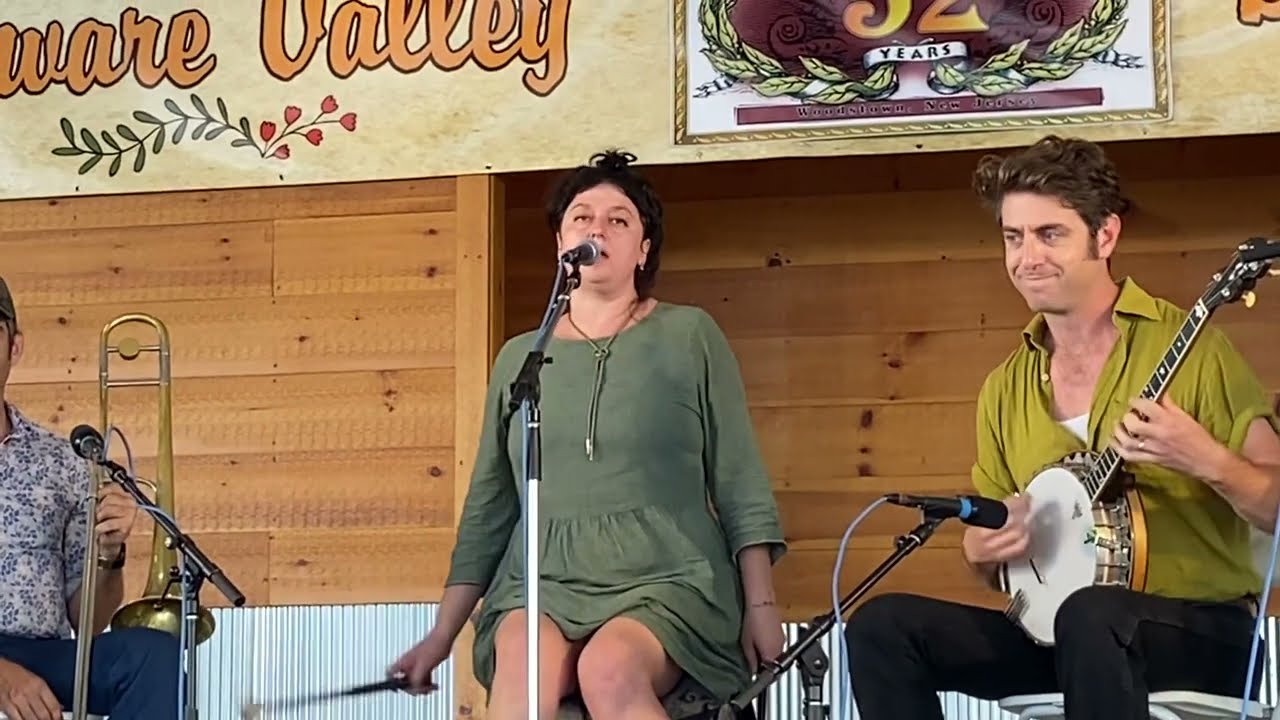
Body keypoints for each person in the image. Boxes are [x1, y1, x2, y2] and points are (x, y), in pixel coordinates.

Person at [842, 136, 1280, 719]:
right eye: (1013, 237)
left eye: (1050, 234)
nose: (1027, 257)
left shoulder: (1195, 351)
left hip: (1202, 634)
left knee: (1094, 614)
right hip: (1065, 639)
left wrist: (1206, 459)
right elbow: (999, 552)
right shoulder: (1005, 387)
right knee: (882, 626)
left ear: (1106, 235)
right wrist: (982, 551)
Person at [390, 150, 788, 719]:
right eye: (582, 217)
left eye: (618, 220)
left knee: (609, 669)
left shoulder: (689, 334)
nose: (597, 229)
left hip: (667, 576)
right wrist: (440, 636)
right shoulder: (519, 358)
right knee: (523, 669)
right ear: (561, 241)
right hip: (541, 577)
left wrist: (762, 606)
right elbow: (489, 506)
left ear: (643, 249)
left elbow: (738, 478)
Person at [0, 276, 181, 720]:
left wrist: (109, 554)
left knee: (152, 655)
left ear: (14, 348)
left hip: (44, 653)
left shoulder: (62, 460)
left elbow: (87, 621)